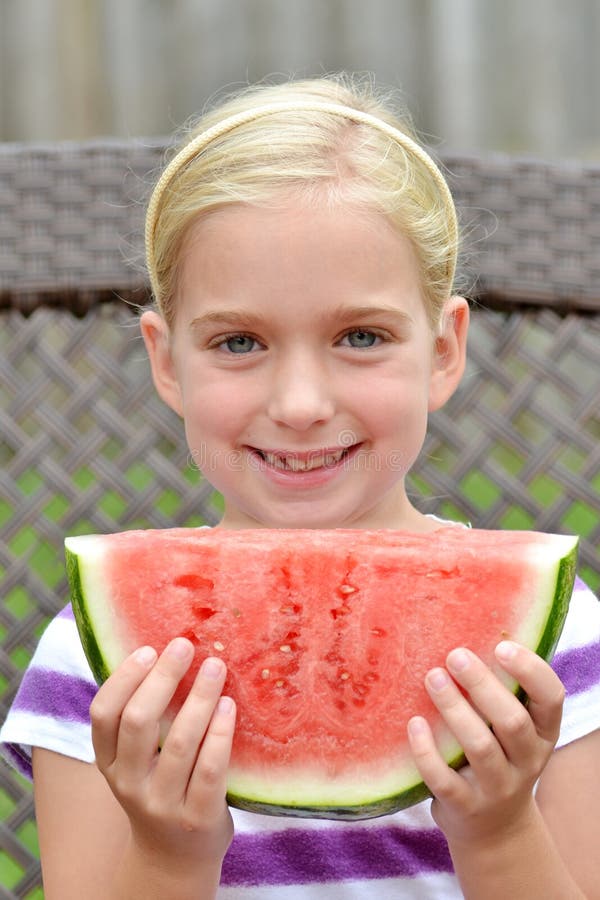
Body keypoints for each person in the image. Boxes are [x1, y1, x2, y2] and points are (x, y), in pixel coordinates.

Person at [1, 74, 599, 900]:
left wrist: (498, 834)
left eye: (361, 335)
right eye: (240, 342)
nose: (301, 405)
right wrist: (170, 855)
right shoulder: (101, 669)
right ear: (166, 360)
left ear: (443, 350)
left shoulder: (558, 646)